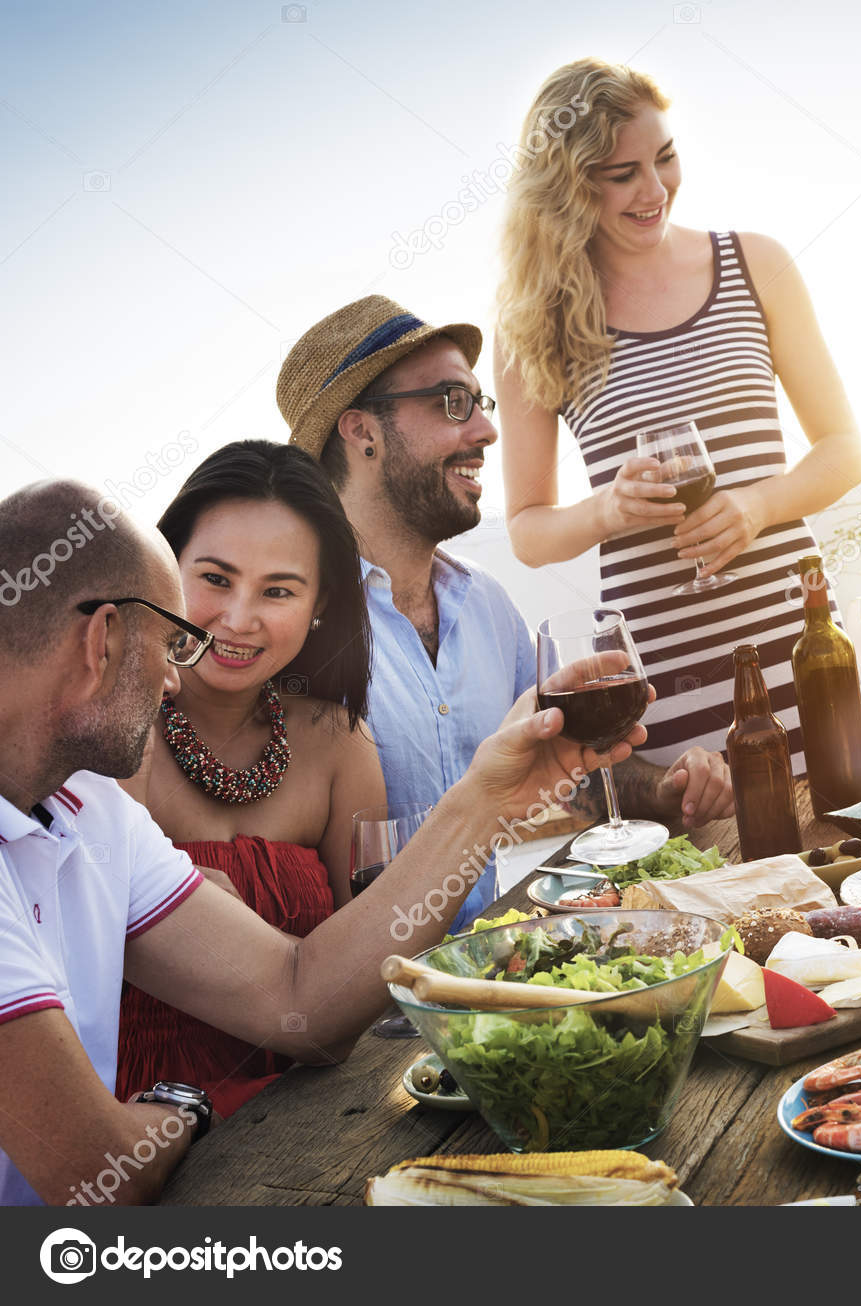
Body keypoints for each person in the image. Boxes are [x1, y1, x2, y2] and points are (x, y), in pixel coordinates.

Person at [0, 480, 634, 1205]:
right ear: (101, 640)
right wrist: (186, 1109)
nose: (175, 679)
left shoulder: (88, 810)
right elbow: (96, 1176)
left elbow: (301, 998)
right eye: (170, 644)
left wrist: (490, 799)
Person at [278, 294, 733, 928]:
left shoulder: (486, 603)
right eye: (451, 403)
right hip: (376, 983)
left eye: (479, 403)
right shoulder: (293, 624)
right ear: (362, 432)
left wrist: (661, 789)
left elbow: (568, 765)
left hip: (500, 955)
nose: (487, 432)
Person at [492, 58, 861, 778]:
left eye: (665, 158)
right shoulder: (533, 326)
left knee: (848, 838)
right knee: (702, 851)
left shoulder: (755, 263)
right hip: (665, 685)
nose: (655, 189)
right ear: (568, 186)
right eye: (622, 174)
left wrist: (757, 506)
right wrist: (608, 510)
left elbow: (845, 450)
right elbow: (527, 531)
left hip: (798, 649)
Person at [114, 441, 386, 1117]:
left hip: (320, 1106)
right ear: (165, 570)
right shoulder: (116, 733)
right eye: (215, 578)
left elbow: (380, 959)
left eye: (278, 590)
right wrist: (314, 965)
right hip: (148, 1120)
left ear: (321, 603)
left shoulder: (339, 742)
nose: (238, 619)